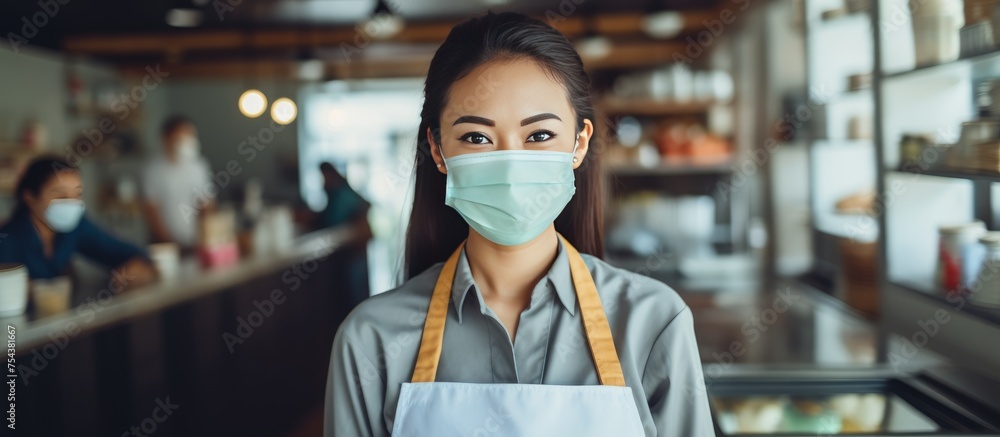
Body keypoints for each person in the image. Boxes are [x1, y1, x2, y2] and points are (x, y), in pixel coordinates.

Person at [325, 12, 713, 437]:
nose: (510, 164)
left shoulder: (654, 323)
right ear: (438, 149)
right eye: (477, 137)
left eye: (540, 135)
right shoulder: (371, 341)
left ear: (579, 143)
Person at [0, 157, 156, 285]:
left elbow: (123, 250)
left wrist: (136, 264)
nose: (71, 204)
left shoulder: (76, 226)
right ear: (30, 198)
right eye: (61, 196)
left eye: (77, 195)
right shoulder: (8, 239)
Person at [141, 115, 213, 250]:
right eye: (182, 136)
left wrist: (206, 238)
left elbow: (206, 204)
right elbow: (151, 210)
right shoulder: (153, 169)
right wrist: (170, 244)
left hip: (197, 242)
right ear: (166, 138)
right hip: (166, 244)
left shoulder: (199, 166)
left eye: (190, 135)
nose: (187, 140)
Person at [316, 162, 371, 308]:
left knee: (356, 295)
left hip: (354, 252)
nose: (323, 181)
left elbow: (331, 220)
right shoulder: (338, 192)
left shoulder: (342, 193)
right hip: (354, 252)